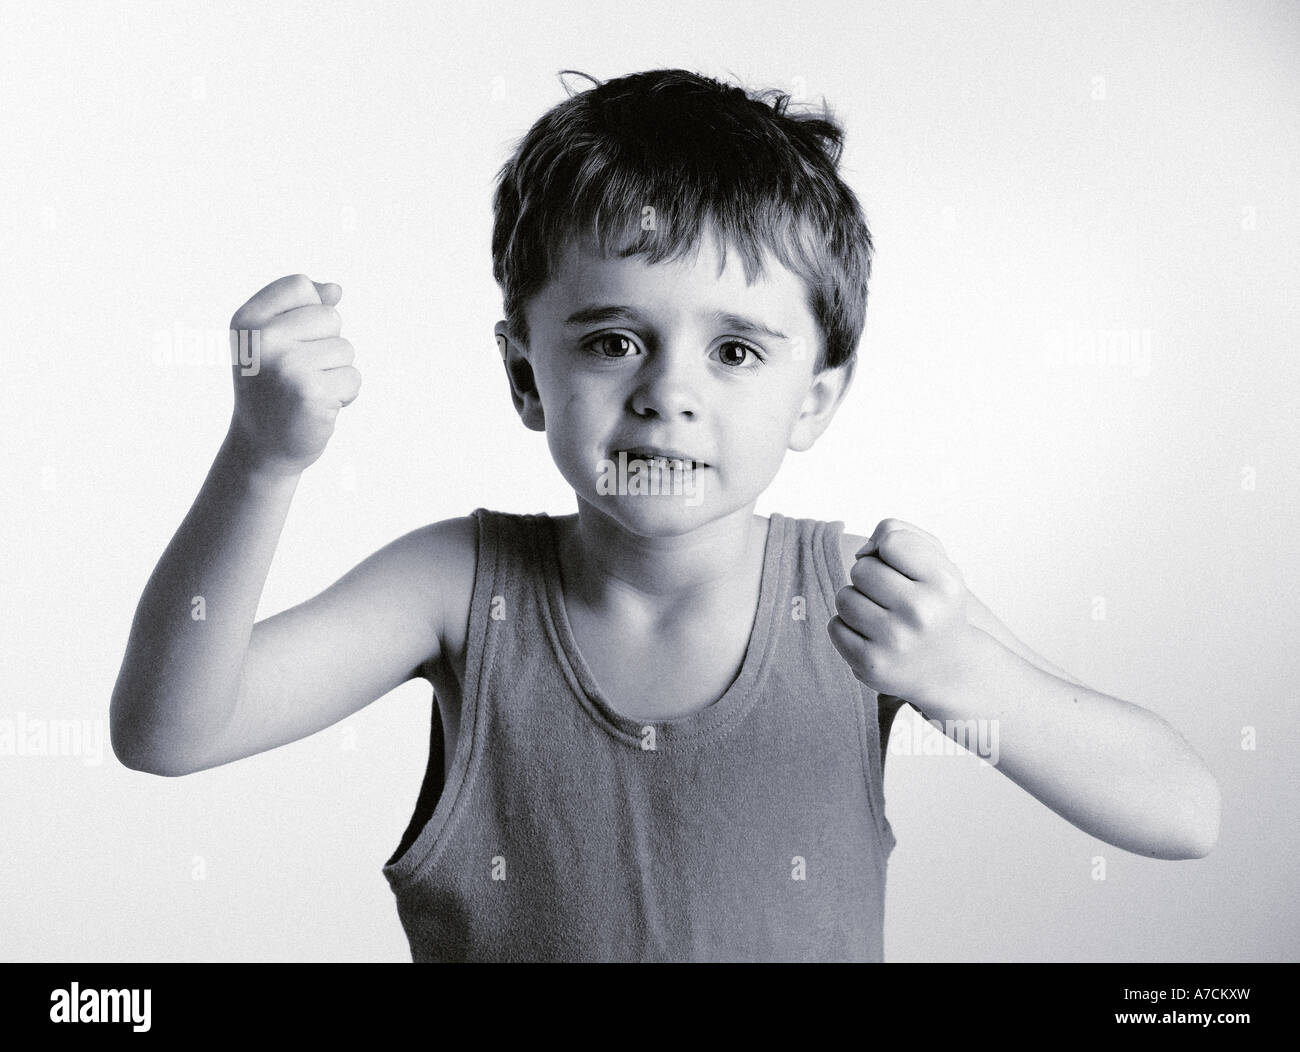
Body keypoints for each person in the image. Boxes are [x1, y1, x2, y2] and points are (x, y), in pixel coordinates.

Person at [110, 68, 1221, 962]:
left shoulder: (857, 595)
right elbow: (169, 733)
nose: (667, 391)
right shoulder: (454, 585)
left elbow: (1183, 810)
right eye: (610, 339)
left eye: (735, 348)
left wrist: (967, 676)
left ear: (815, 398)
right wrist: (261, 460)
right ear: (525, 377)